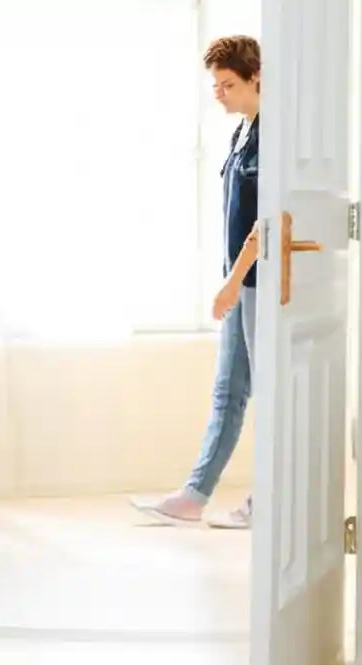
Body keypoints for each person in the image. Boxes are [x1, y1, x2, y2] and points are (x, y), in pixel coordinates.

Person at [131, 35, 262, 530]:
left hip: (256, 285)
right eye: (215, 85)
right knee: (228, 392)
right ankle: (194, 494)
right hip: (238, 283)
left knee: (269, 396)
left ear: (256, 79)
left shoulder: (273, 138)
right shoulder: (242, 133)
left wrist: (233, 283)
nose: (219, 94)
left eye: (228, 84)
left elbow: (265, 225)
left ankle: (266, 499)